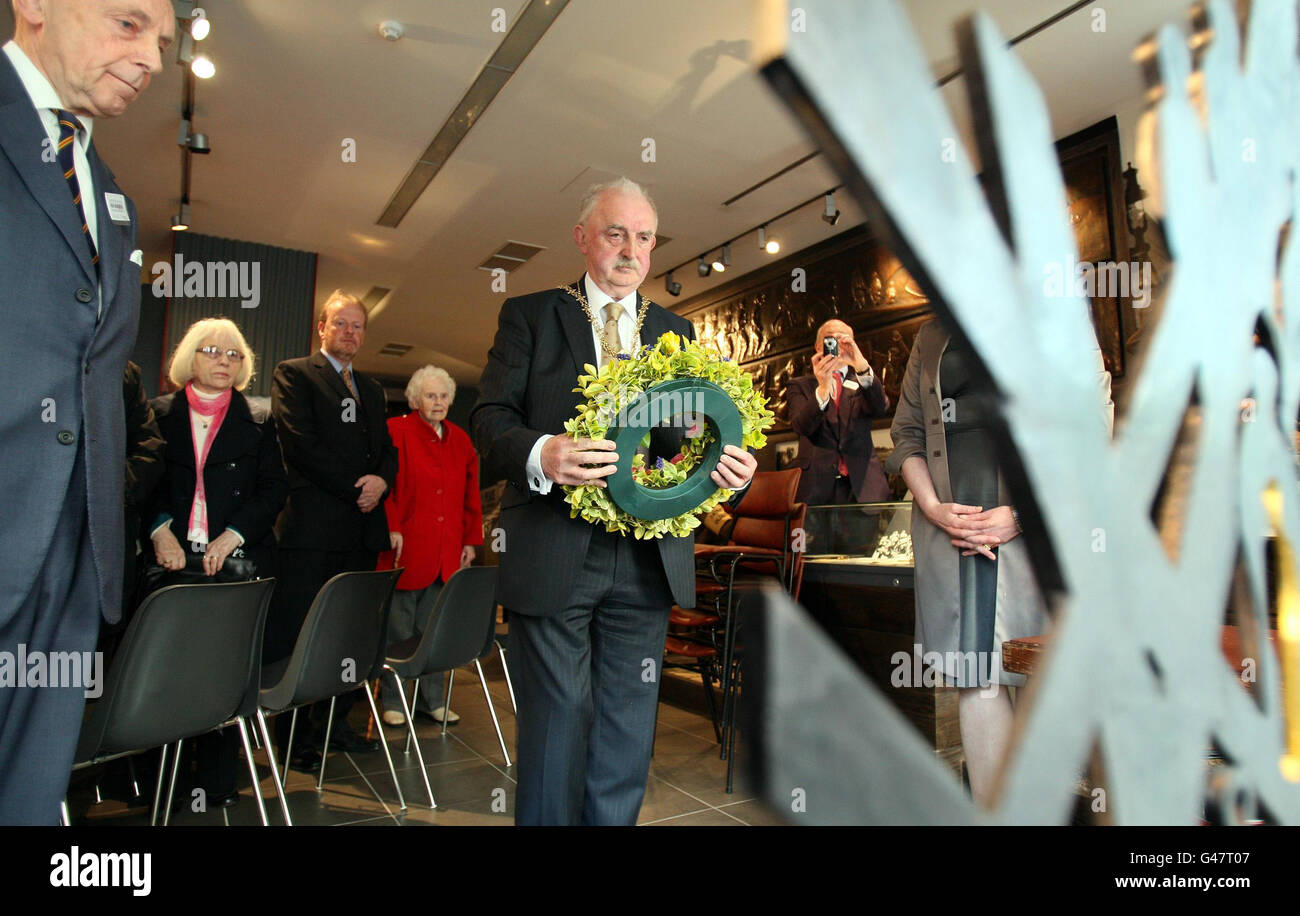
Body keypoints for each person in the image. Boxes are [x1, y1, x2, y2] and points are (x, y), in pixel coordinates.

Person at [471, 178, 757, 825]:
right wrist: (544, 453)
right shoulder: (532, 316)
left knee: (628, 727)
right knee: (559, 720)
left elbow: (681, 445)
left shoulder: (678, 332)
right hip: (552, 547)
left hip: (648, 560)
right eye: (615, 232)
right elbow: (487, 420)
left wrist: (727, 471)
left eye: (645, 237)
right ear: (582, 238)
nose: (632, 249)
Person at [0, 0, 174, 824]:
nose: (151, 60)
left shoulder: (109, 196)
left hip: (71, 567)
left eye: (164, 43)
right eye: (129, 23)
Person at [886, 319, 1112, 805]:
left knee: (1041, 671)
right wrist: (932, 507)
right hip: (950, 526)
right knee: (975, 676)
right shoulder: (930, 334)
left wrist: (1024, 513)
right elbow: (905, 432)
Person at [148, 318, 288, 807]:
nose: (224, 361)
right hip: (171, 565)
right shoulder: (156, 413)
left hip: (237, 563)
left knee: (225, 672)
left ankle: (215, 781)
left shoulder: (260, 419)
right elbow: (137, 480)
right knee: (169, 669)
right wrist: (159, 528)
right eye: (213, 352)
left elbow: (274, 488)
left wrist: (232, 535)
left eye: (234, 355)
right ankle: (157, 779)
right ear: (191, 358)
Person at [270, 290, 397, 770]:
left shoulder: (371, 388)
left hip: (362, 533)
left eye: (357, 326)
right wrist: (356, 487)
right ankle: (296, 739)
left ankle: (333, 726)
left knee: (349, 636)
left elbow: (387, 449)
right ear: (321, 327)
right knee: (305, 635)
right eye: (340, 323)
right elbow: (300, 446)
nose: (349, 332)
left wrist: (382, 480)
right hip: (313, 534)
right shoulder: (295, 374)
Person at [377, 365, 483, 727]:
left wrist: (471, 539)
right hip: (406, 550)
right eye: (430, 395)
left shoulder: (461, 440)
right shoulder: (395, 431)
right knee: (399, 631)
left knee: (434, 632)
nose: (438, 402)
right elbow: (384, 489)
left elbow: (472, 496)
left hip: (447, 551)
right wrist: (391, 527)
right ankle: (393, 700)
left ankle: (431, 700)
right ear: (414, 399)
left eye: (443, 396)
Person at [786, 319, 892, 505]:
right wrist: (822, 389)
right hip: (815, 489)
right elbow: (801, 426)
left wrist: (862, 367)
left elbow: (880, 408)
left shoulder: (862, 381)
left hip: (863, 486)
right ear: (818, 345)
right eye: (829, 340)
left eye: (843, 340)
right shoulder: (800, 385)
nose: (835, 345)